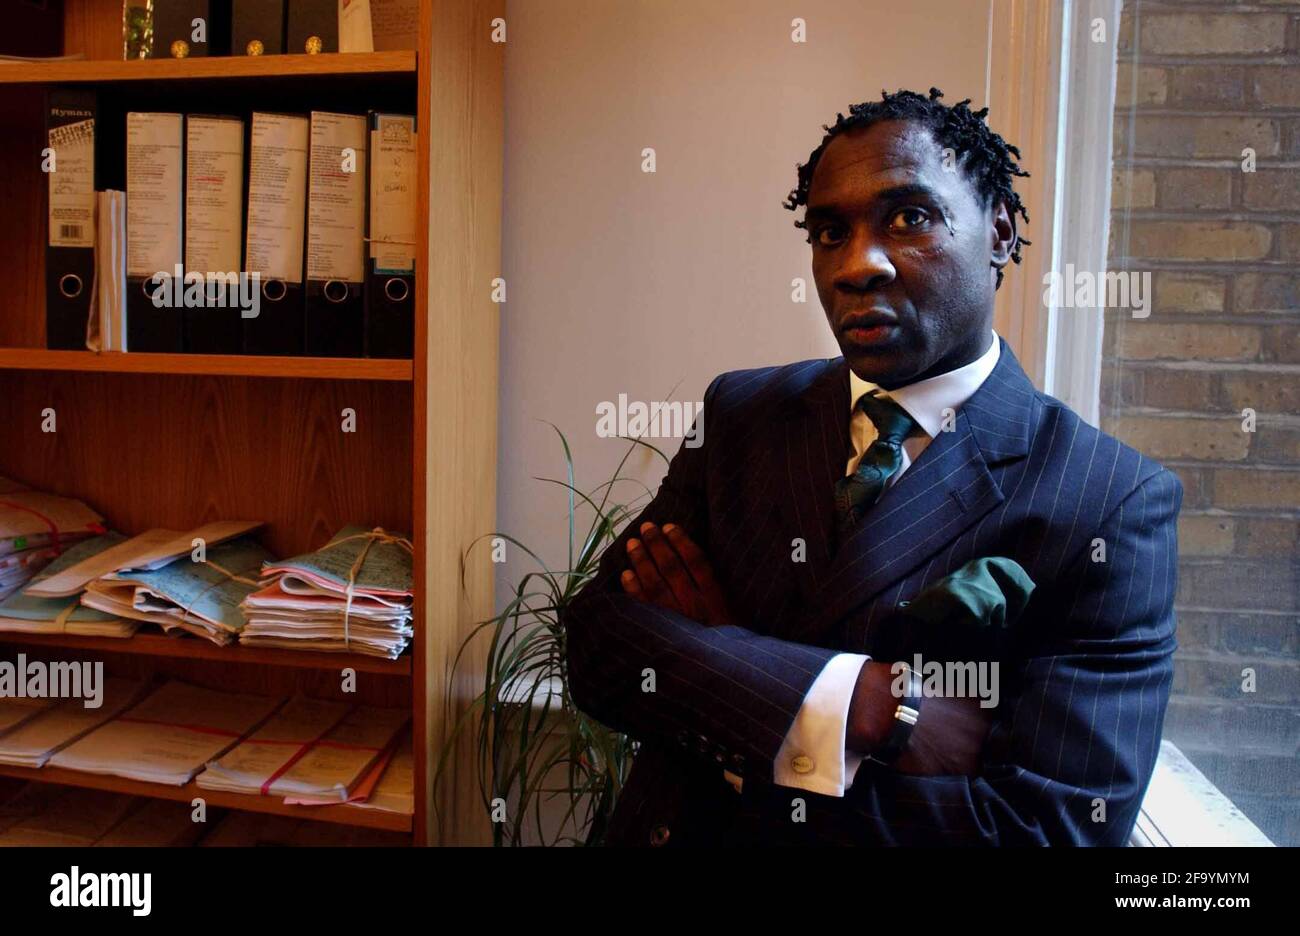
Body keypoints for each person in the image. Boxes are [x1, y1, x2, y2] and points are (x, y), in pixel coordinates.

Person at [563, 88, 1181, 846]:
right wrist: (868, 702)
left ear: (999, 231)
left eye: (909, 218)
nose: (858, 265)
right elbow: (599, 644)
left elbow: (1046, 830)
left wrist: (726, 675)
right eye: (829, 231)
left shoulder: (1108, 501)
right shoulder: (744, 413)